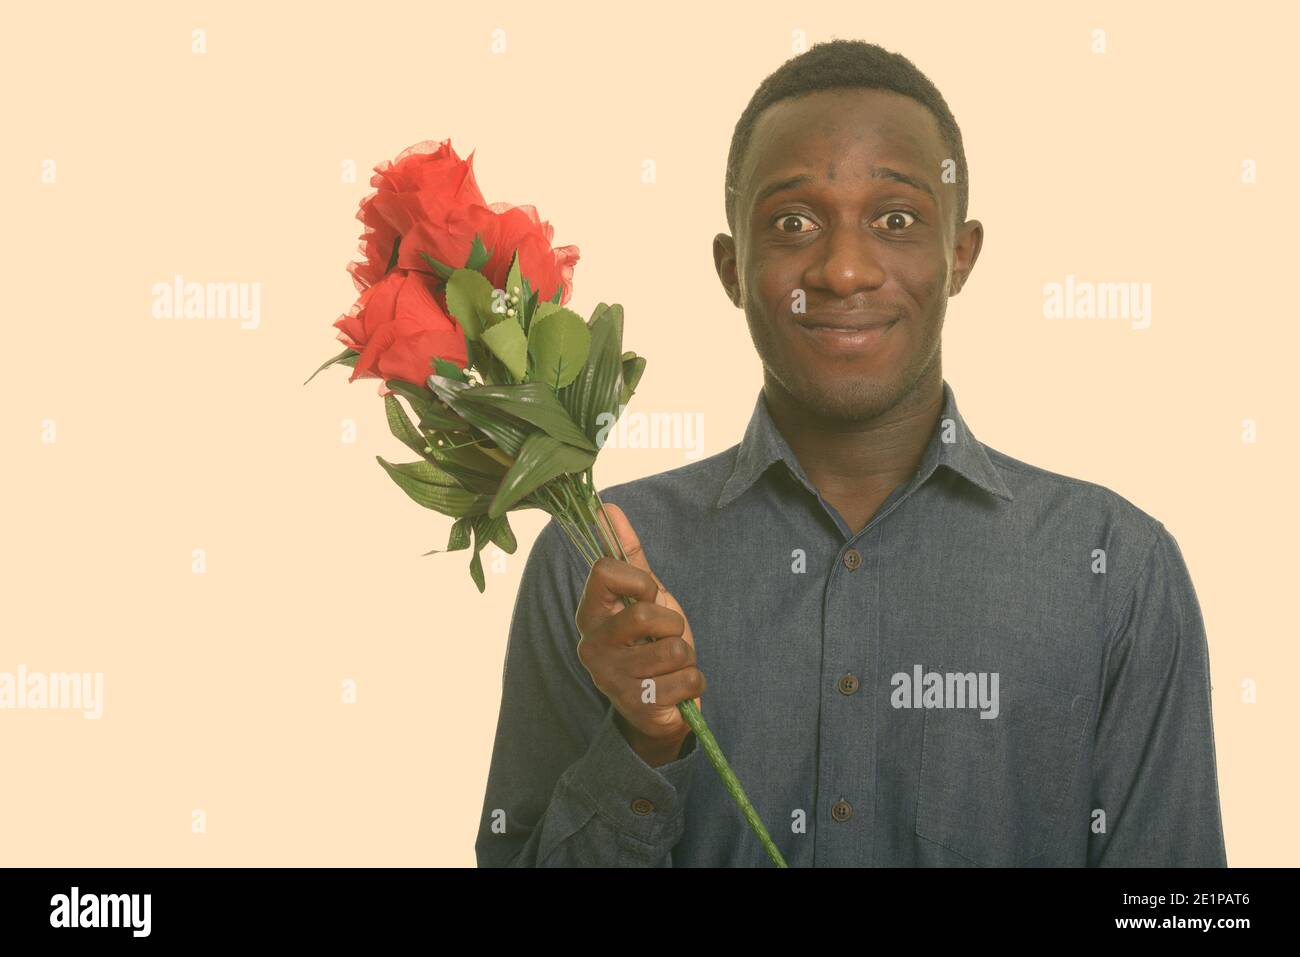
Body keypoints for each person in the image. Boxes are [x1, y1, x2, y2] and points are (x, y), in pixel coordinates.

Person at [475, 39, 1228, 867]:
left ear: (961, 255)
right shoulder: (597, 563)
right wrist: (645, 742)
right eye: (793, 223)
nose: (842, 269)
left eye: (896, 220)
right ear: (732, 267)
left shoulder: (1116, 568)